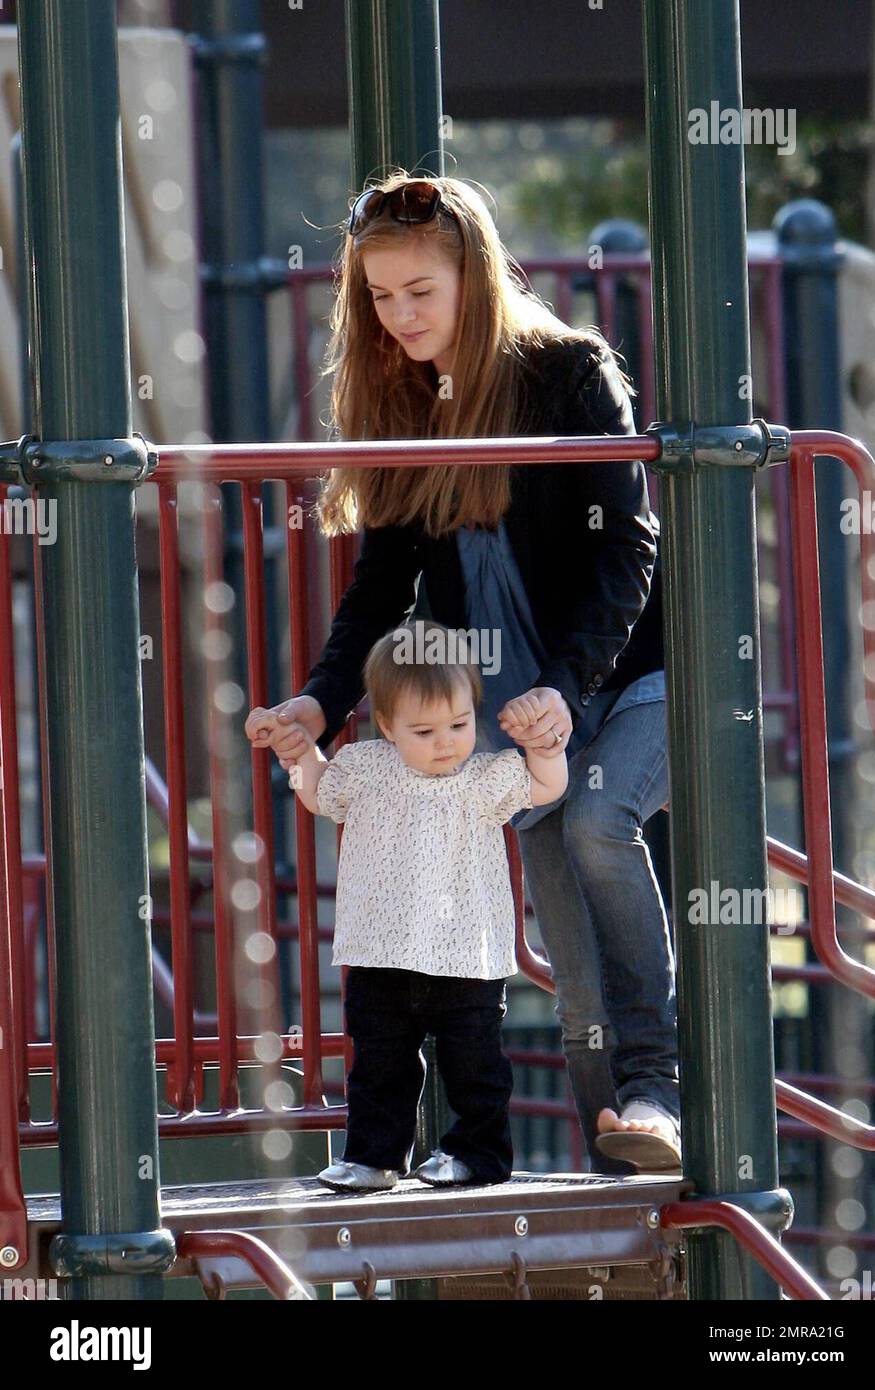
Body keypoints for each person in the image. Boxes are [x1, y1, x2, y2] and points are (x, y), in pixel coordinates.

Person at [245, 171, 680, 1173]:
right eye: (379, 296)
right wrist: (321, 695)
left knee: (594, 818)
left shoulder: (567, 373)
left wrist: (567, 694)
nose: (398, 315)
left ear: (473, 280)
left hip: (627, 673)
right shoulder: (404, 403)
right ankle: (615, 1143)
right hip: (518, 702)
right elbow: (383, 581)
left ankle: (655, 1090)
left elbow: (627, 548)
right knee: (540, 862)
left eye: (419, 293)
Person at [267, 621, 567, 1190]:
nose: (446, 741)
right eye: (424, 730)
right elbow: (318, 791)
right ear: (386, 726)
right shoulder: (364, 767)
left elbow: (546, 788)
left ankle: (479, 1155)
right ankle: (374, 1156)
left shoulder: (485, 774)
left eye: (459, 723)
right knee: (380, 1062)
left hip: (467, 954)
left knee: (474, 1064)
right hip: (381, 949)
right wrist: (298, 749)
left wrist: (544, 748)